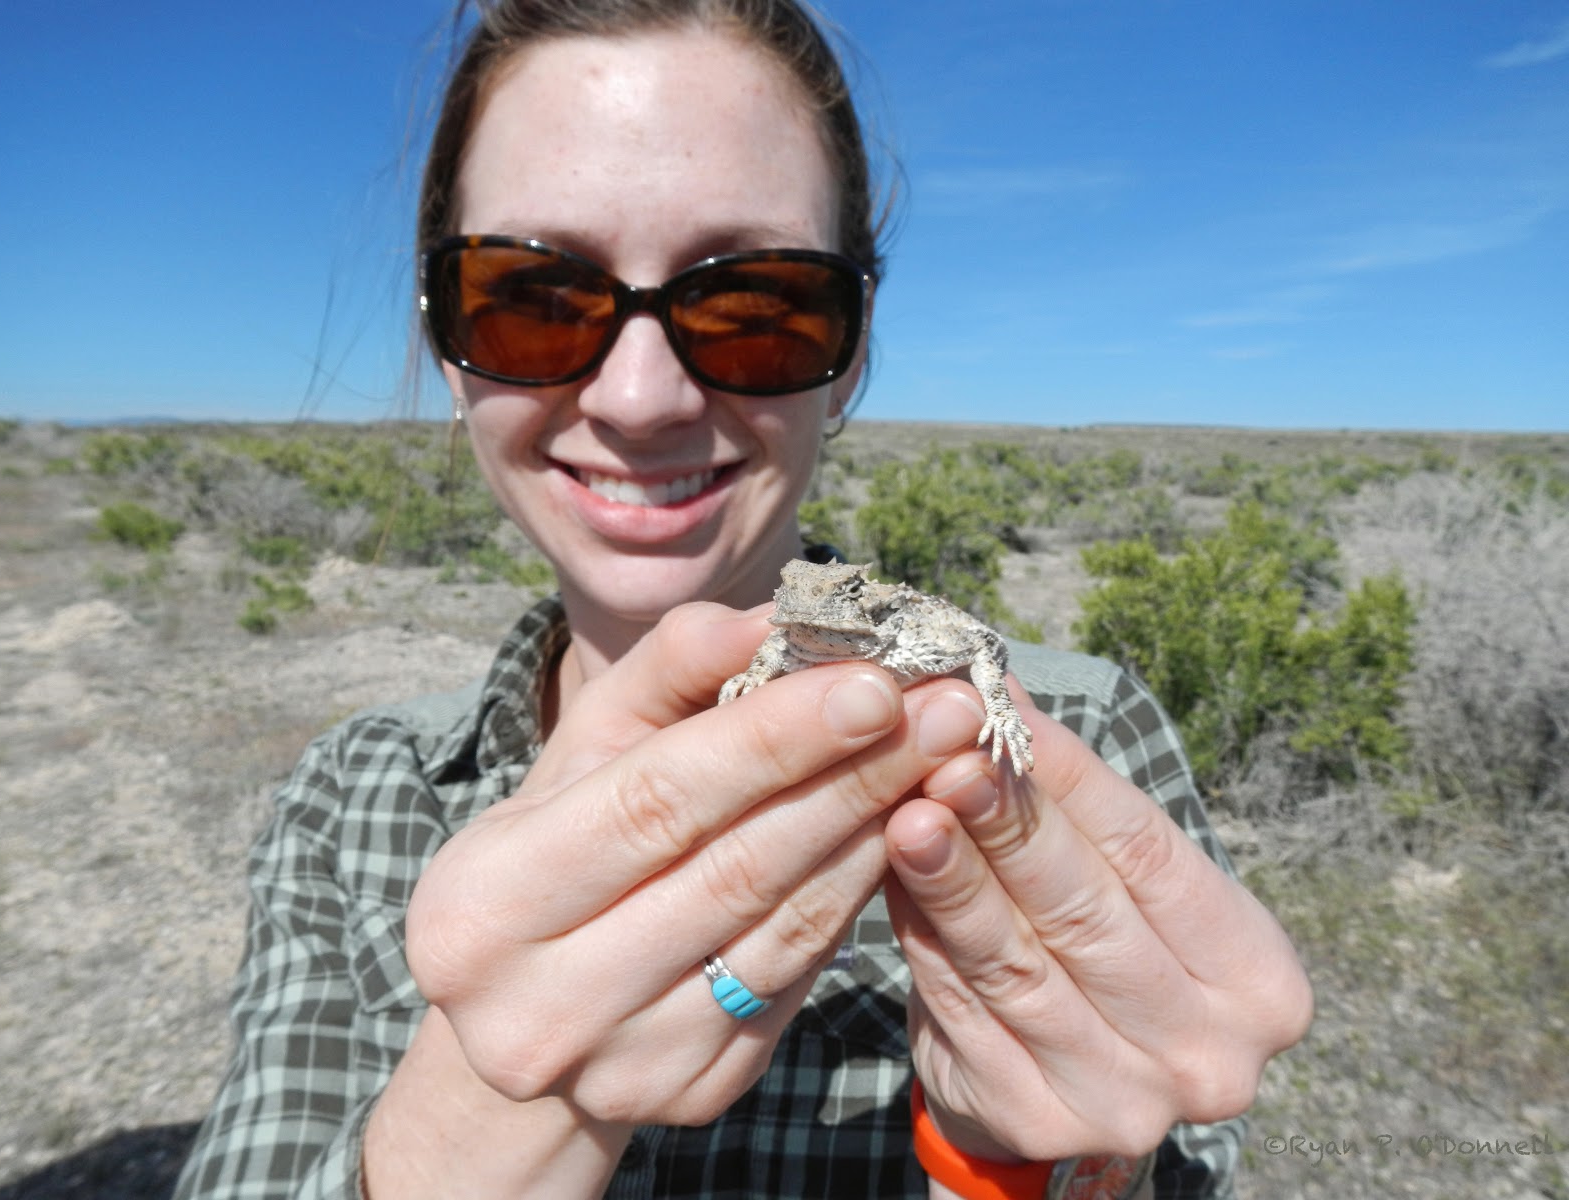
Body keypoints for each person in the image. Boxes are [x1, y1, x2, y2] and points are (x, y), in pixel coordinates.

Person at [174, 1, 1312, 1197]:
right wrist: (478, 1111)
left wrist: (1023, 1163)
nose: (640, 397)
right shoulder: (356, 802)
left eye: (758, 308)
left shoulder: (1071, 733)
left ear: (852, 348)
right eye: (531, 297)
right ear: (449, 344)